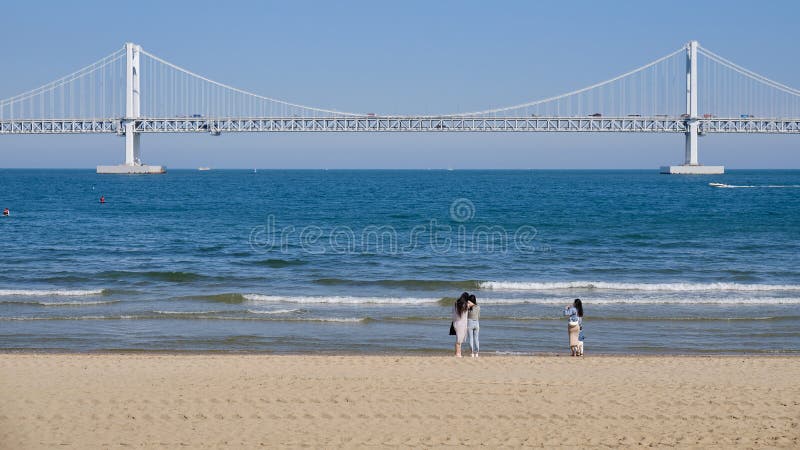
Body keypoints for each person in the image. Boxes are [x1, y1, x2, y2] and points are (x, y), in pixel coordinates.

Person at [452, 292, 474, 357]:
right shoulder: (465, 305)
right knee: (459, 340)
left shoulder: (456, 304)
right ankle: (458, 354)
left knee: (458, 339)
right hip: (462, 324)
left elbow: (452, 312)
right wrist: (468, 301)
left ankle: (457, 353)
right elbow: (473, 304)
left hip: (456, 322)